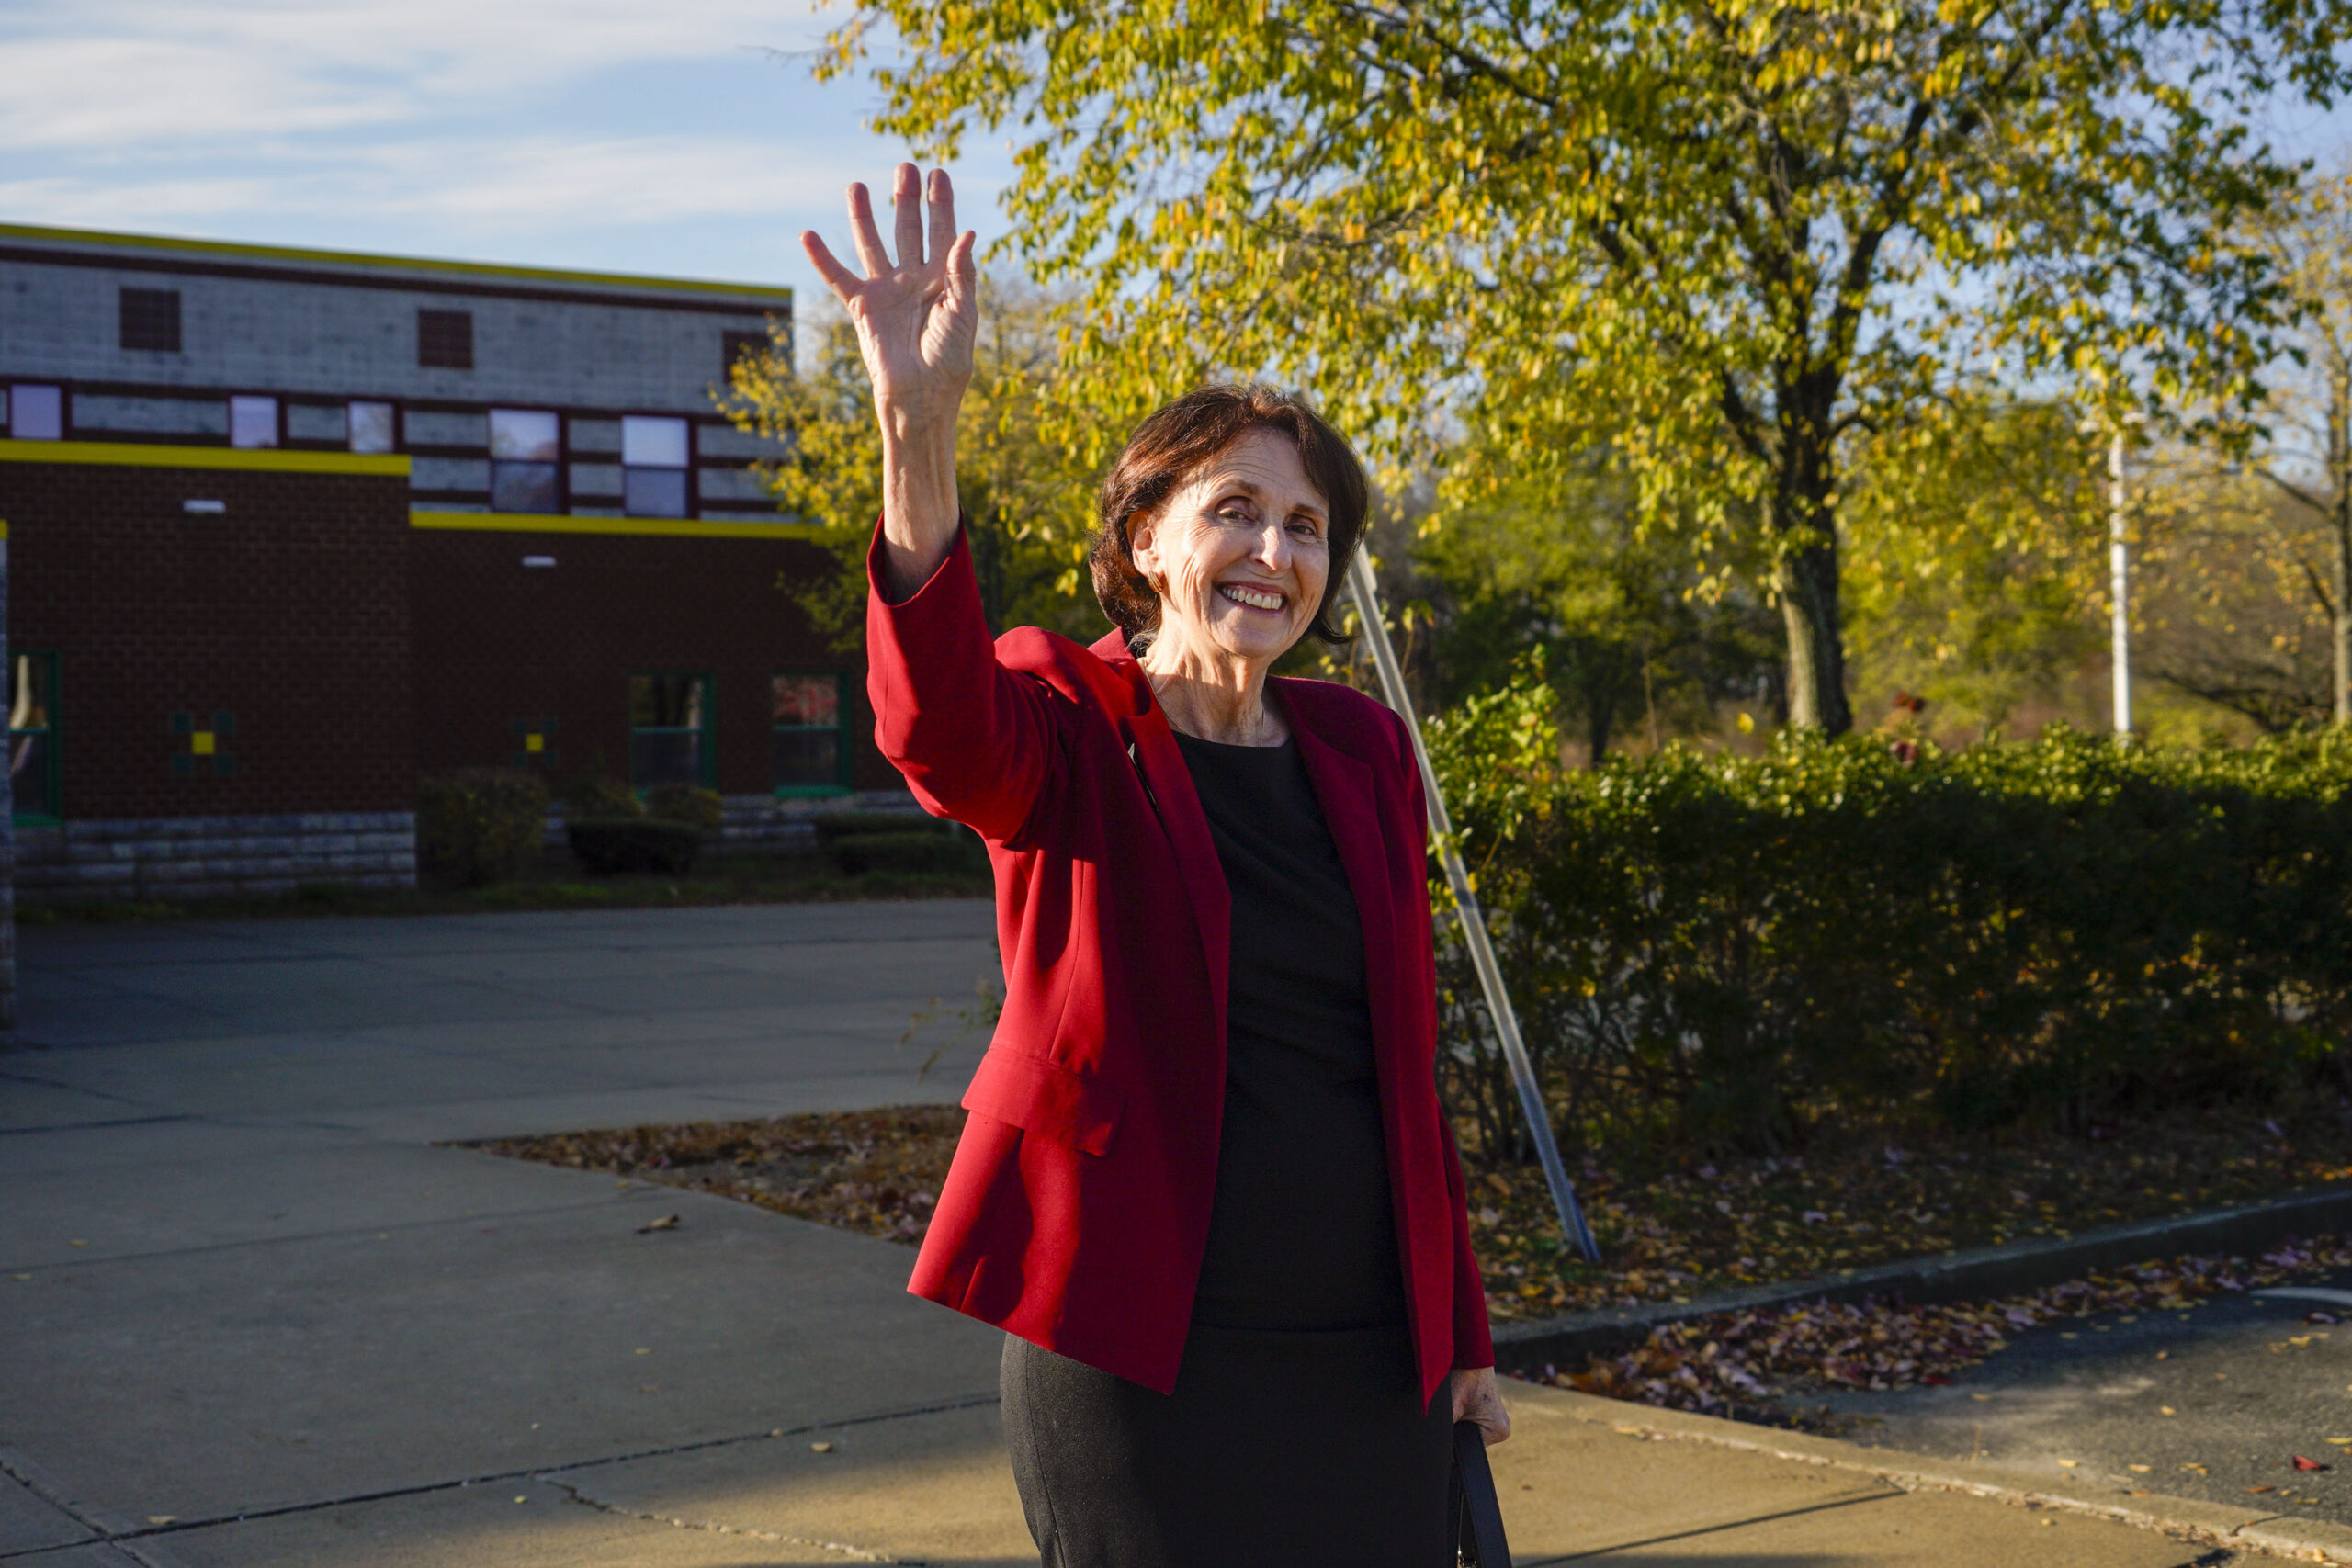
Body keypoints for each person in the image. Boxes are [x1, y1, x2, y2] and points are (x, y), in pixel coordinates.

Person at [802, 163, 1506, 1568]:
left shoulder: (1364, 750)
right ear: (1146, 539)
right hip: (1140, 1348)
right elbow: (934, 728)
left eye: (1307, 527)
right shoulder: (1060, 715)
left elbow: (1402, 1069)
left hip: (1372, 1351)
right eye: (1235, 511)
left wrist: (1463, 1332)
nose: (1274, 551)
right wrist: (915, 424)